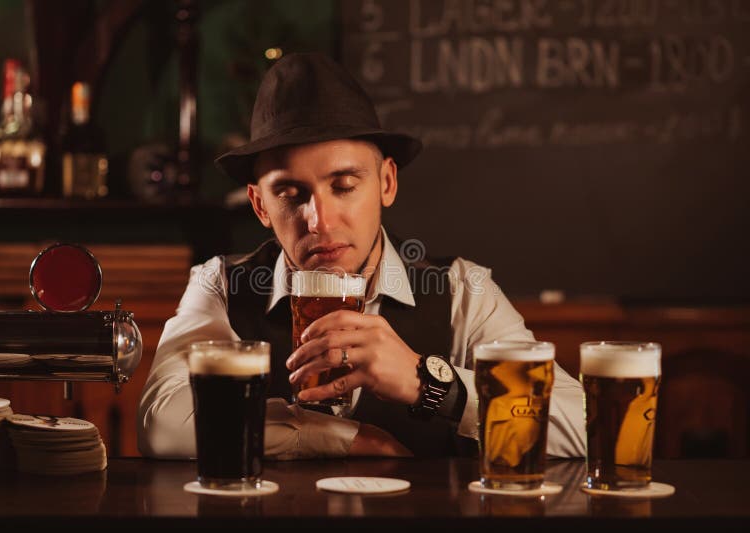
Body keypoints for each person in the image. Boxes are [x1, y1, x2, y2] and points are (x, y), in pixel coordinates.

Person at [138, 52, 585, 459]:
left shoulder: (463, 290)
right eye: (291, 195)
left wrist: (427, 384)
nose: (320, 221)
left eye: (344, 186)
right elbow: (161, 427)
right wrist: (334, 436)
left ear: (386, 183)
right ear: (260, 206)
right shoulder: (219, 284)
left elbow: (583, 424)